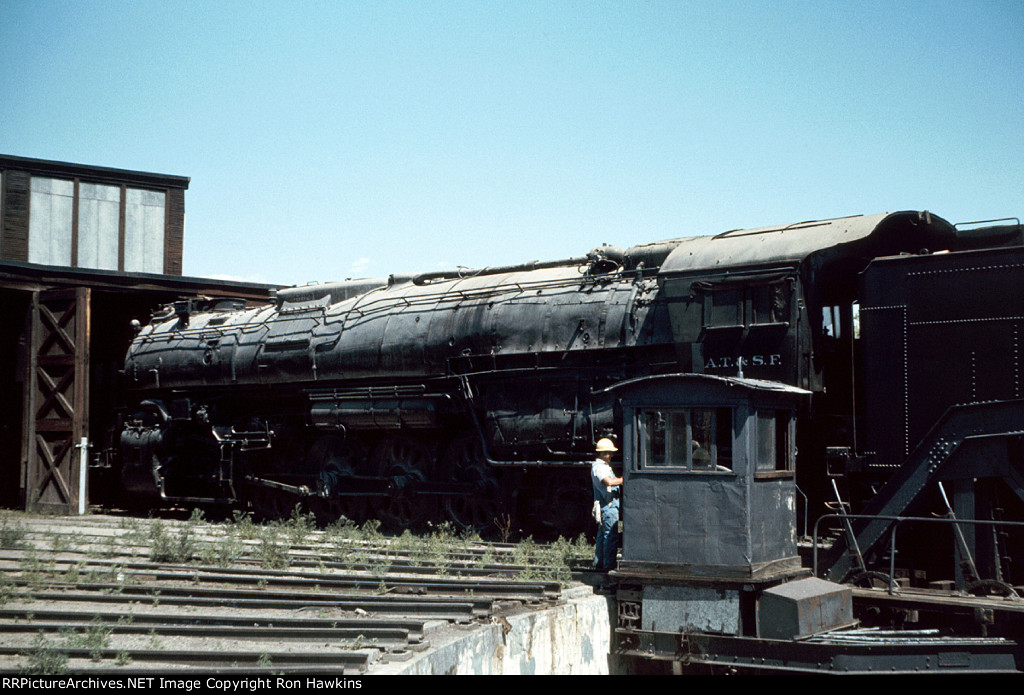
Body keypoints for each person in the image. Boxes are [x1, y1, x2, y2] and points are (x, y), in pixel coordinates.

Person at [591, 437, 622, 571]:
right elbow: (608, 482)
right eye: (609, 453)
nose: (611, 455)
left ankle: (599, 564)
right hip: (608, 506)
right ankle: (608, 566)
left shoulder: (601, 466)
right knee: (610, 536)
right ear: (603, 453)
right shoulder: (600, 468)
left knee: (603, 535)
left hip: (607, 505)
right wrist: (623, 479)